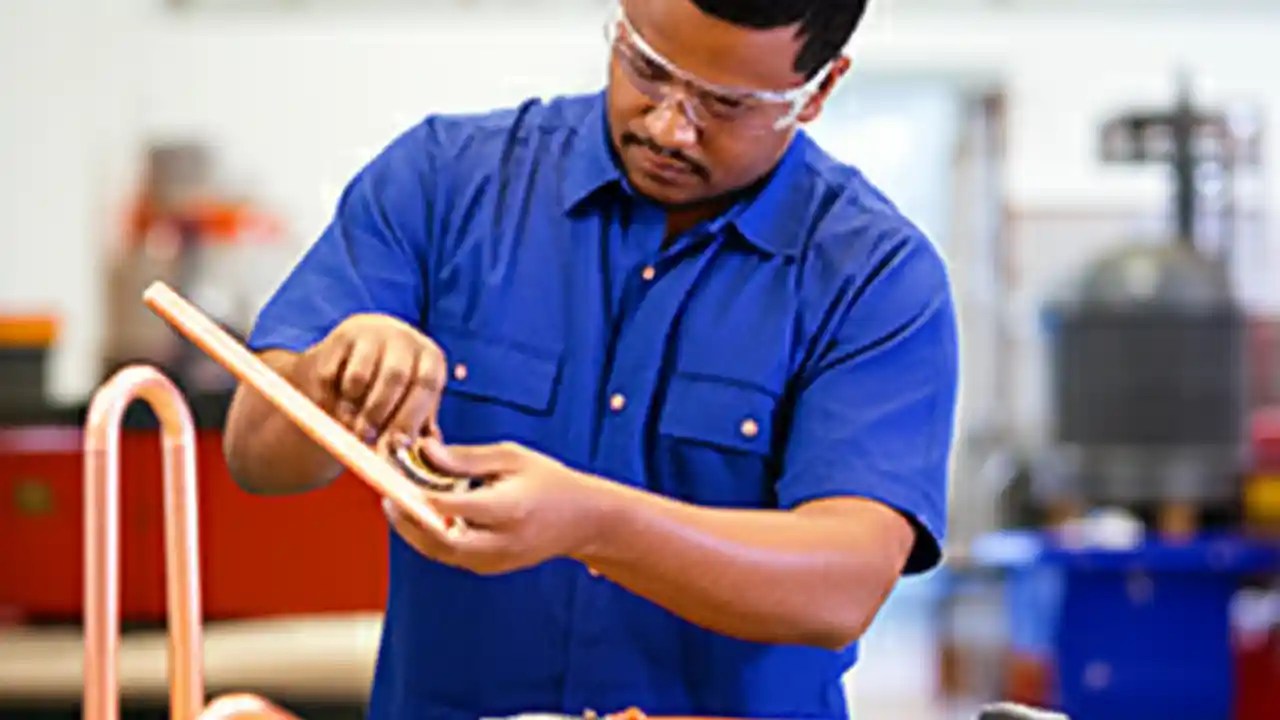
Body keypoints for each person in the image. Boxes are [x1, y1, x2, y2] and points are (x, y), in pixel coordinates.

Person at [224, 0, 959, 718]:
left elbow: (842, 586)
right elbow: (255, 457)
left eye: (726, 104)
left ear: (820, 89)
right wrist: (332, 378)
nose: (669, 126)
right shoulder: (446, 182)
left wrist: (594, 524)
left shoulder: (874, 277)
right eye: (647, 67)